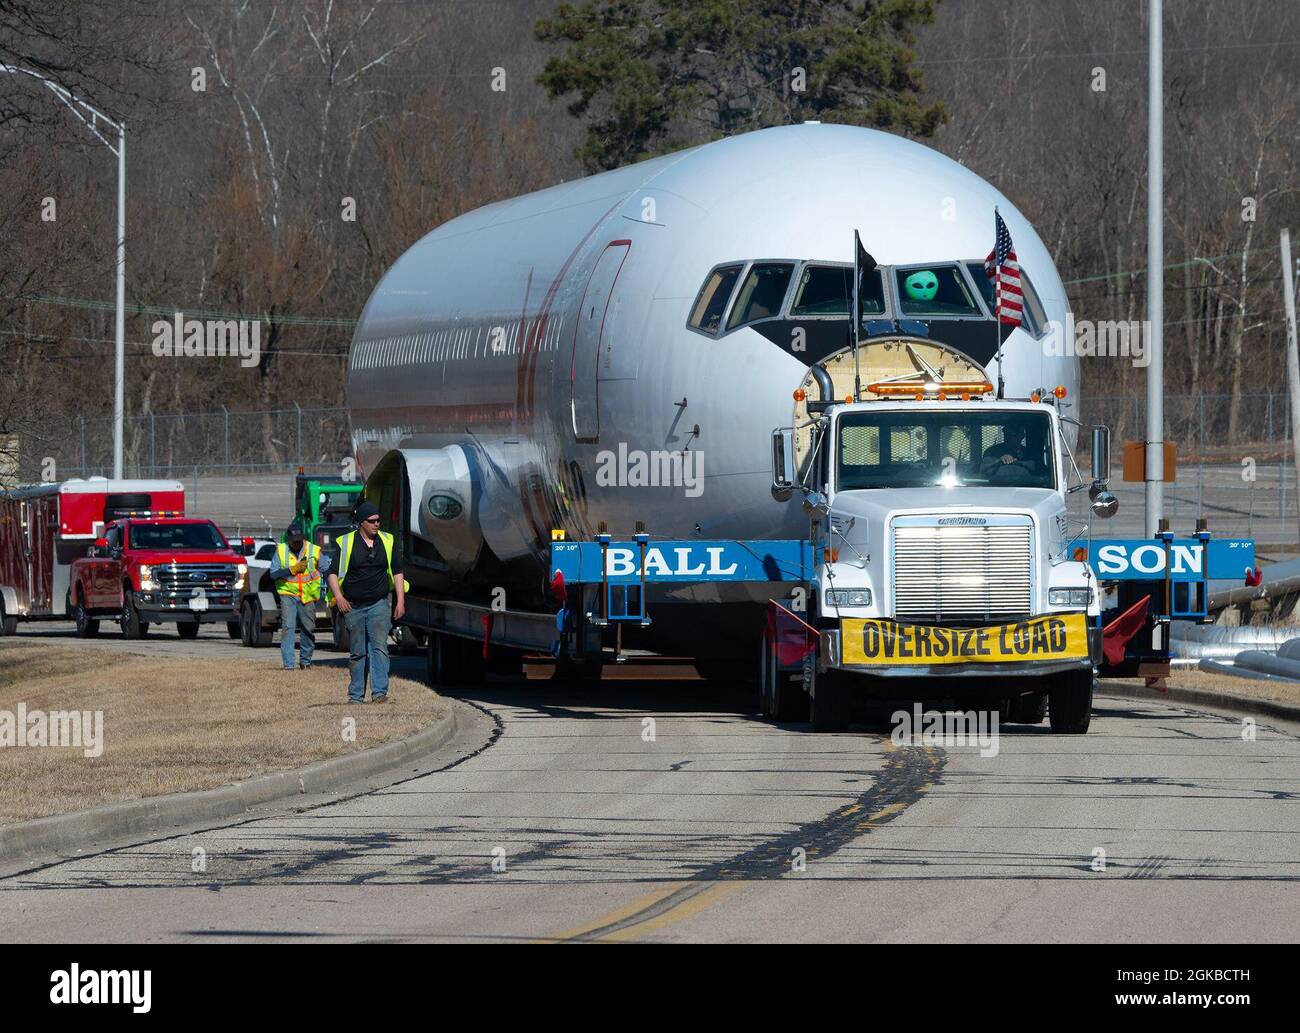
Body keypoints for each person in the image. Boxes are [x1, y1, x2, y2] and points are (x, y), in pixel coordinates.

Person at [326, 501, 405, 704]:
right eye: (372, 521)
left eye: (379, 520)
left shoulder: (387, 541)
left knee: (379, 648)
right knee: (358, 652)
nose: (377, 524)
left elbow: (397, 572)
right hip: (353, 606)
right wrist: (340, 598)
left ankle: (379, 693)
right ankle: (356, 696)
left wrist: (400, 601)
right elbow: (332, 573)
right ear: (361, 522)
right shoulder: (345, 543)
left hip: (379, 603)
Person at [270, 521, 330, 671]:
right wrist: (291, 570)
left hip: (308, 595)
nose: (297, 544)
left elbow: (326, 569)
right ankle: (289, 666)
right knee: (288, 627)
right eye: (294, 542)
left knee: (308, 628)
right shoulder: (281, 550)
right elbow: (273, 574)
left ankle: (305, 661)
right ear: (288, 539)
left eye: (299, 541)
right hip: (288, 594)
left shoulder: (313, 550)